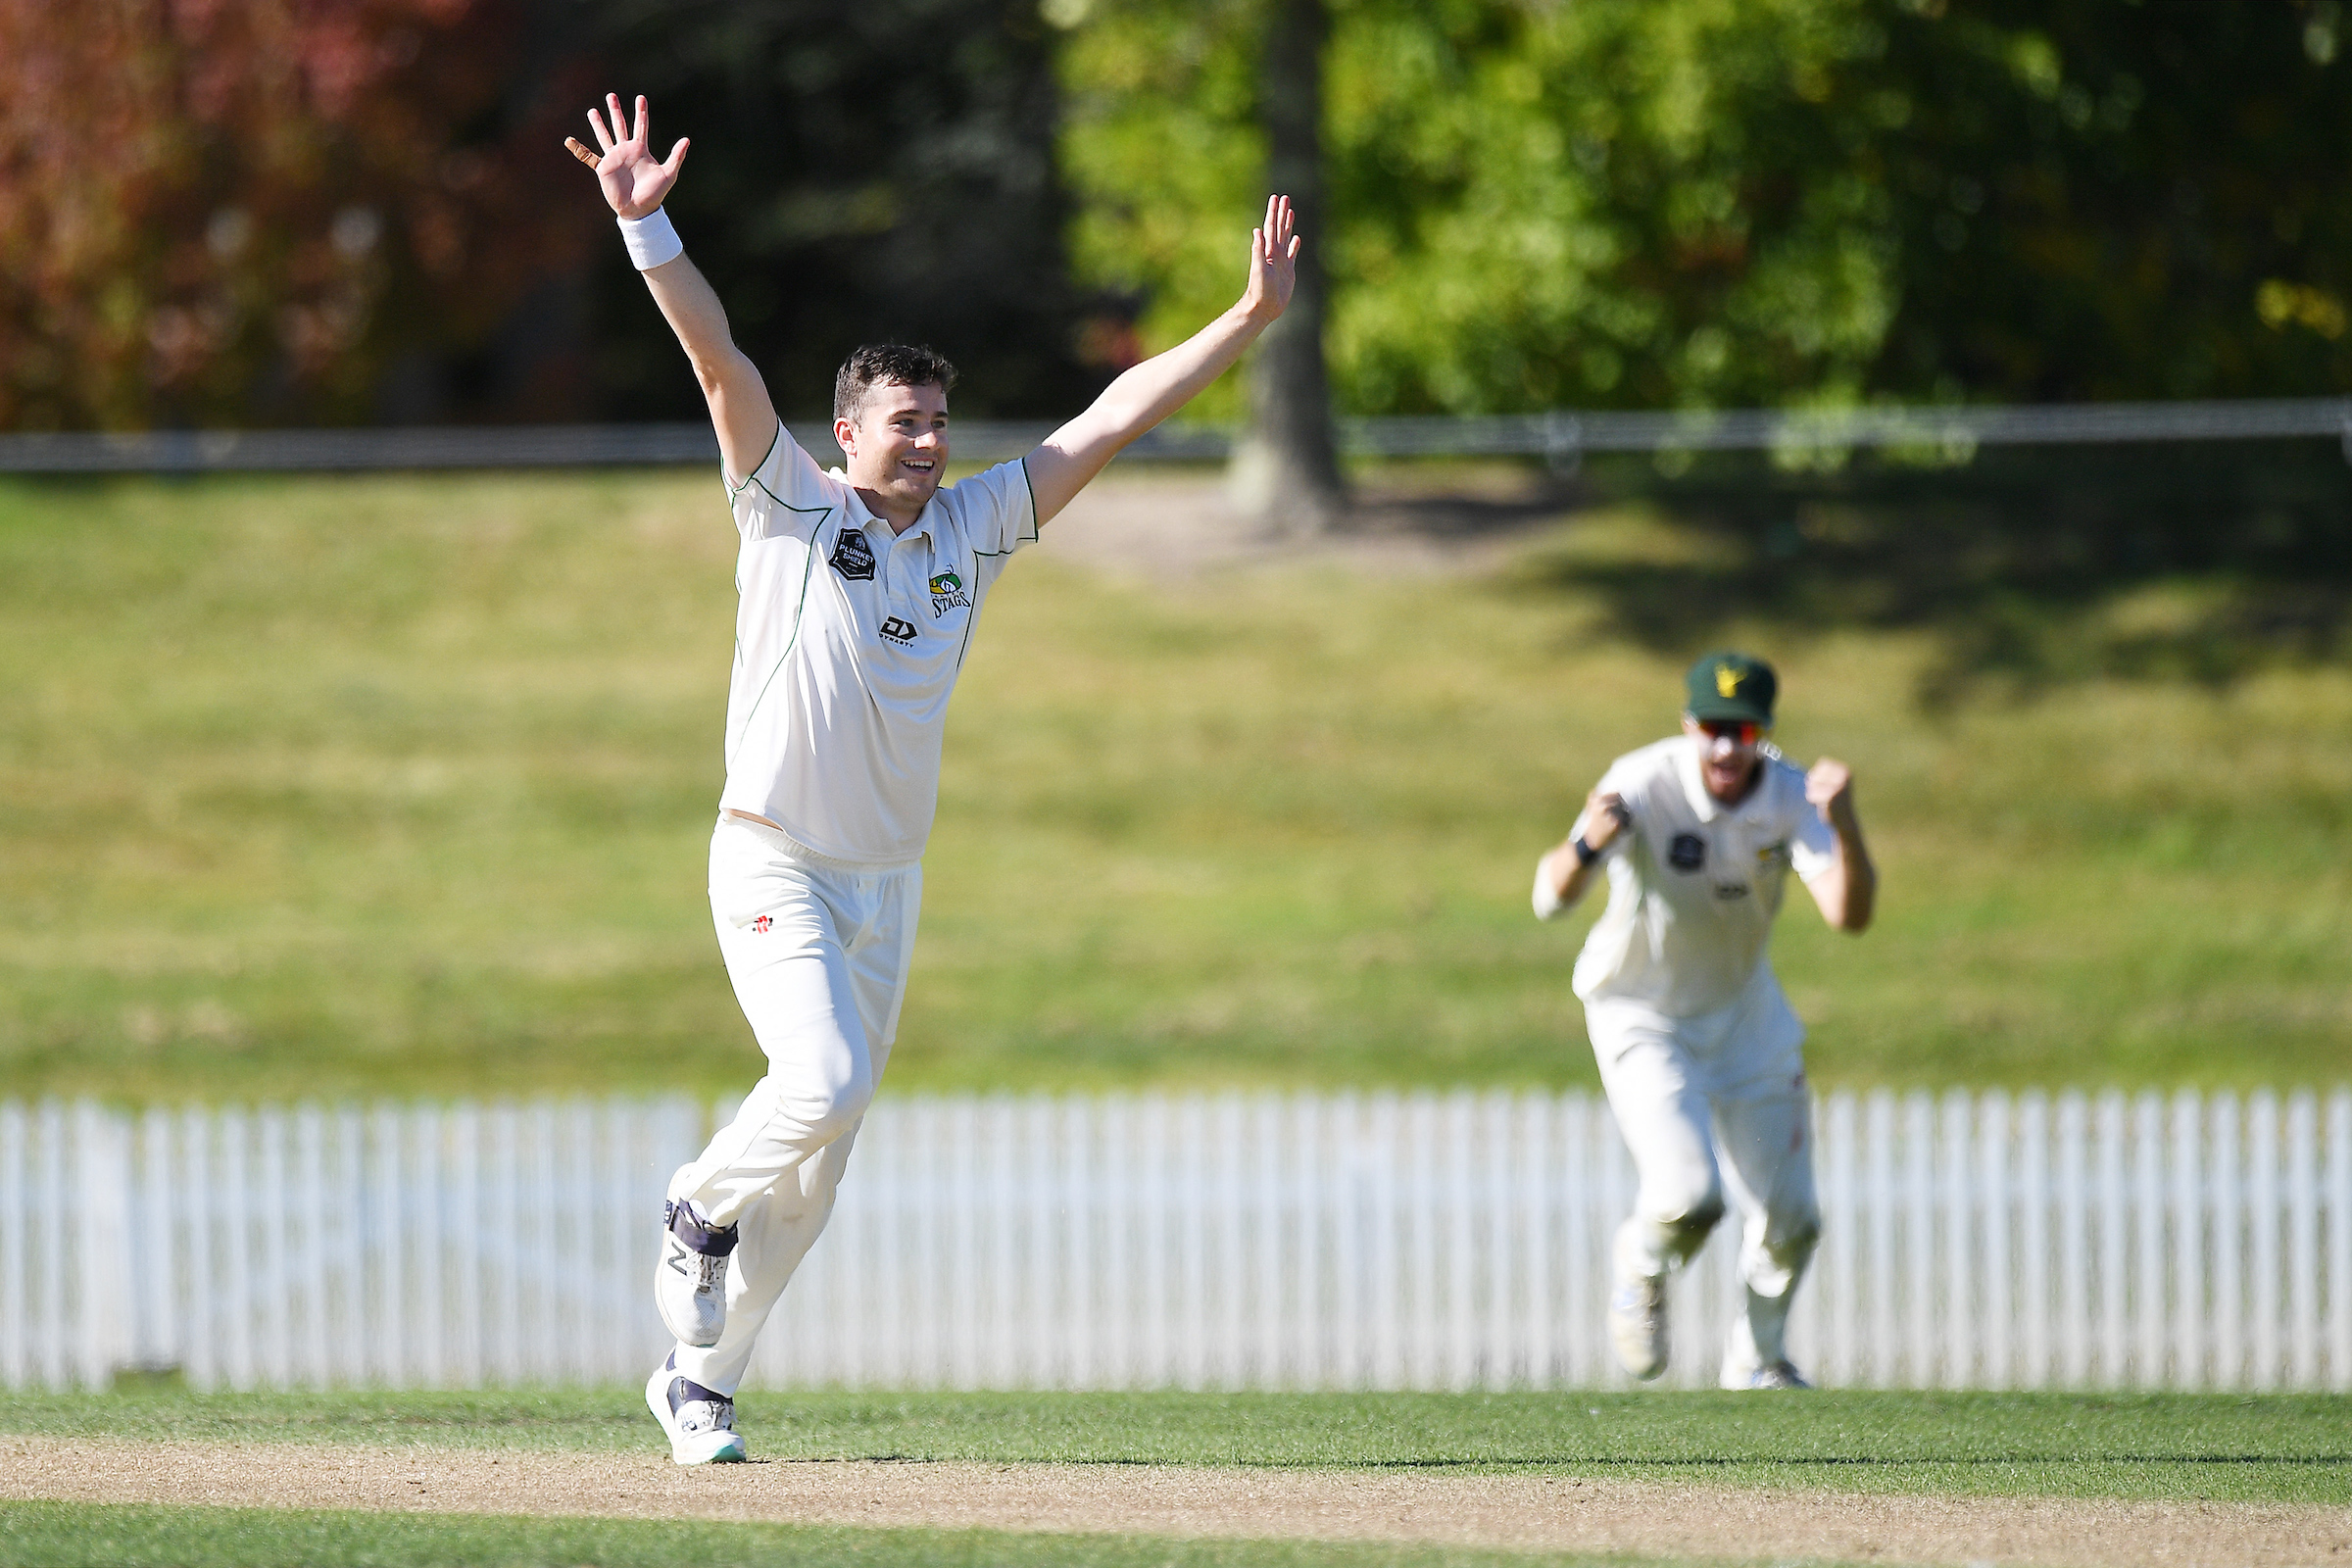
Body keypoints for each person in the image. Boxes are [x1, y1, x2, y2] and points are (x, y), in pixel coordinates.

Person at [565, 94, 1300, 1463]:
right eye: (904, 422)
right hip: (774, 851)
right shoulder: (789, 503)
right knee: (824, 1078)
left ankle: (700, 1382)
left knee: (817, 1180)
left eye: (939, 421)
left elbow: (1111, 418)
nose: (929, 442)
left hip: (887, 884)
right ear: (847, 433)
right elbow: (721, 363)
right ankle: (695, 1206)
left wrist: (1247, 320)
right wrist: (647, 229)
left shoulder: (974, 527)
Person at [1531, 652, 1875, 1389]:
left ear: (1764, 732)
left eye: (1742, 731)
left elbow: (1848, 916)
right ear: (1688, 725)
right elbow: (1549, 899)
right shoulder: (1642, 780)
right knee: (1689, 1198)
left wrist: (1843, 823)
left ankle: (1758, 1361)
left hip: (1746, 1016)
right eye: (1712, 728)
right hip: (1642, 1012)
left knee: (1794, 1217)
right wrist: (1587, 844)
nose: (1725, 748)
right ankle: (1640, 1264)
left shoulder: (1790, 794)